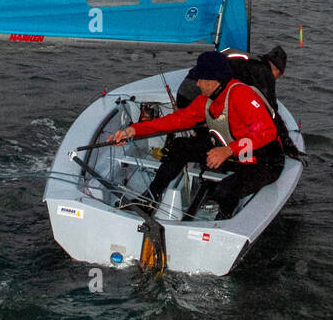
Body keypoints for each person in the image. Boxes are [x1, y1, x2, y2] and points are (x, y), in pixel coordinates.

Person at [110, 50, 284, 218]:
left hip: (263, 161)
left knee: (224, 191)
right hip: (234, 154)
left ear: (214, 80)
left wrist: (228, 150)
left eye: (200, 79)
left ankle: (224, 217)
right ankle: (149, 199)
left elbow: (267, 132)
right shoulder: (206, 100)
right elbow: (176, 120)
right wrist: (135, 130)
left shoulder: (241, 95)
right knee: (180, 147)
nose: (197, 83)